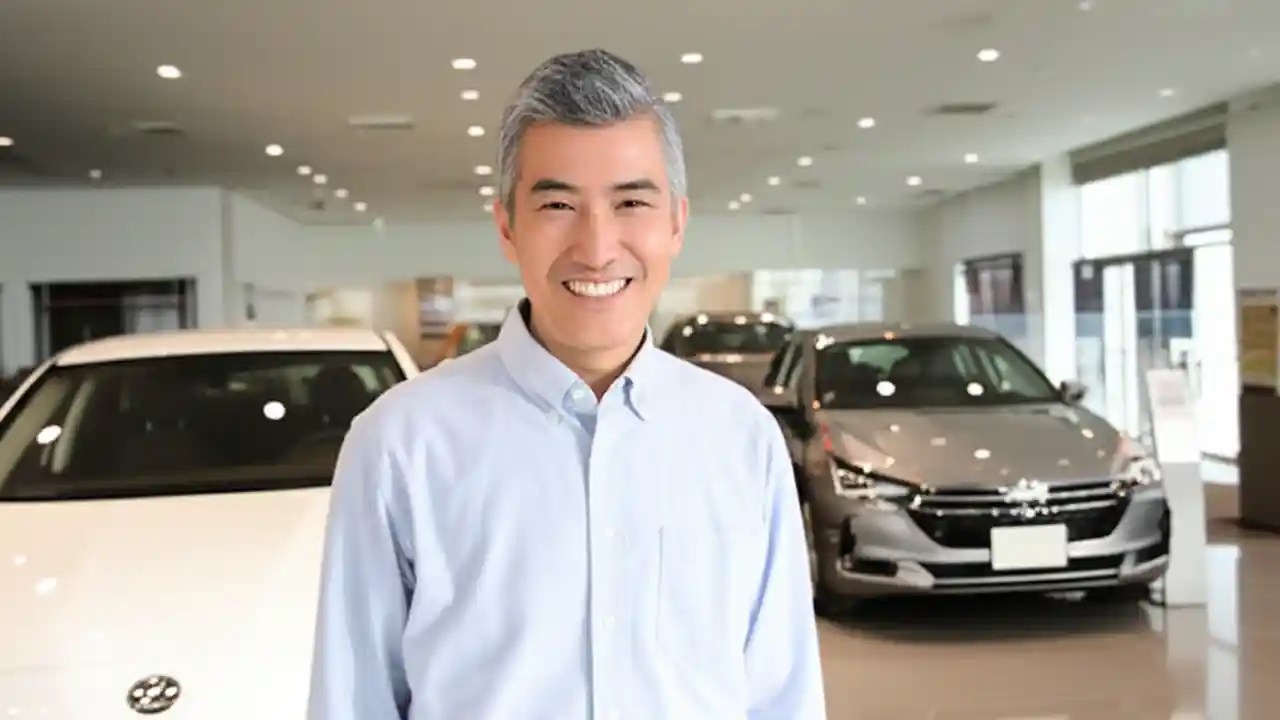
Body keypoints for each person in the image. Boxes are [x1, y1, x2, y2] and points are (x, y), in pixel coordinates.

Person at [307, 49, 825, 719]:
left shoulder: (740, 435)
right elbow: (353, 701)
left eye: (631, 202)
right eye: (558, 203)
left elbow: (782, 693)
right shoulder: (402, 442)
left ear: (676, 222)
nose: (597, 248)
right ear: (507, 226)